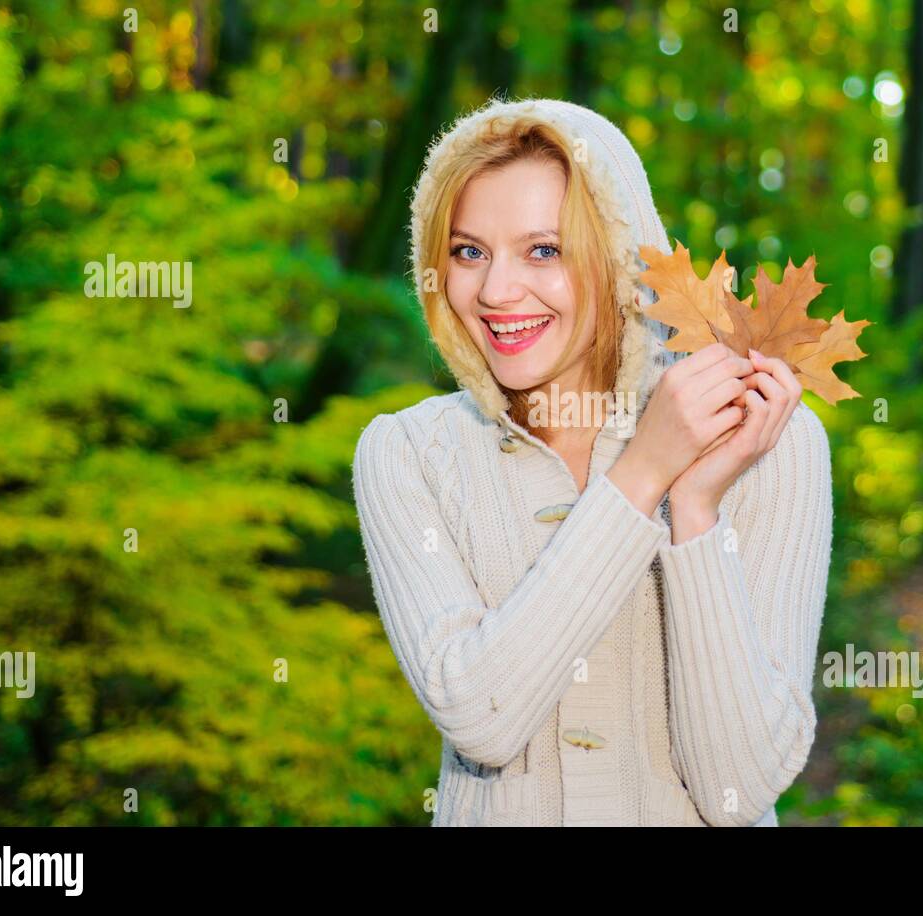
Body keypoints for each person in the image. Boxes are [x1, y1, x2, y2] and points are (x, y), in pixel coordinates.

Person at [352, 96, 834, 826]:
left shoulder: (767, 441)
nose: (495, 291)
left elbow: (738, 787)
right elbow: (482, 717)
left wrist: (695, 512)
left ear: (619, 255)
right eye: (467, 250)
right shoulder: (406, 453)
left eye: (544, 250)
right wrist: (643, 475)